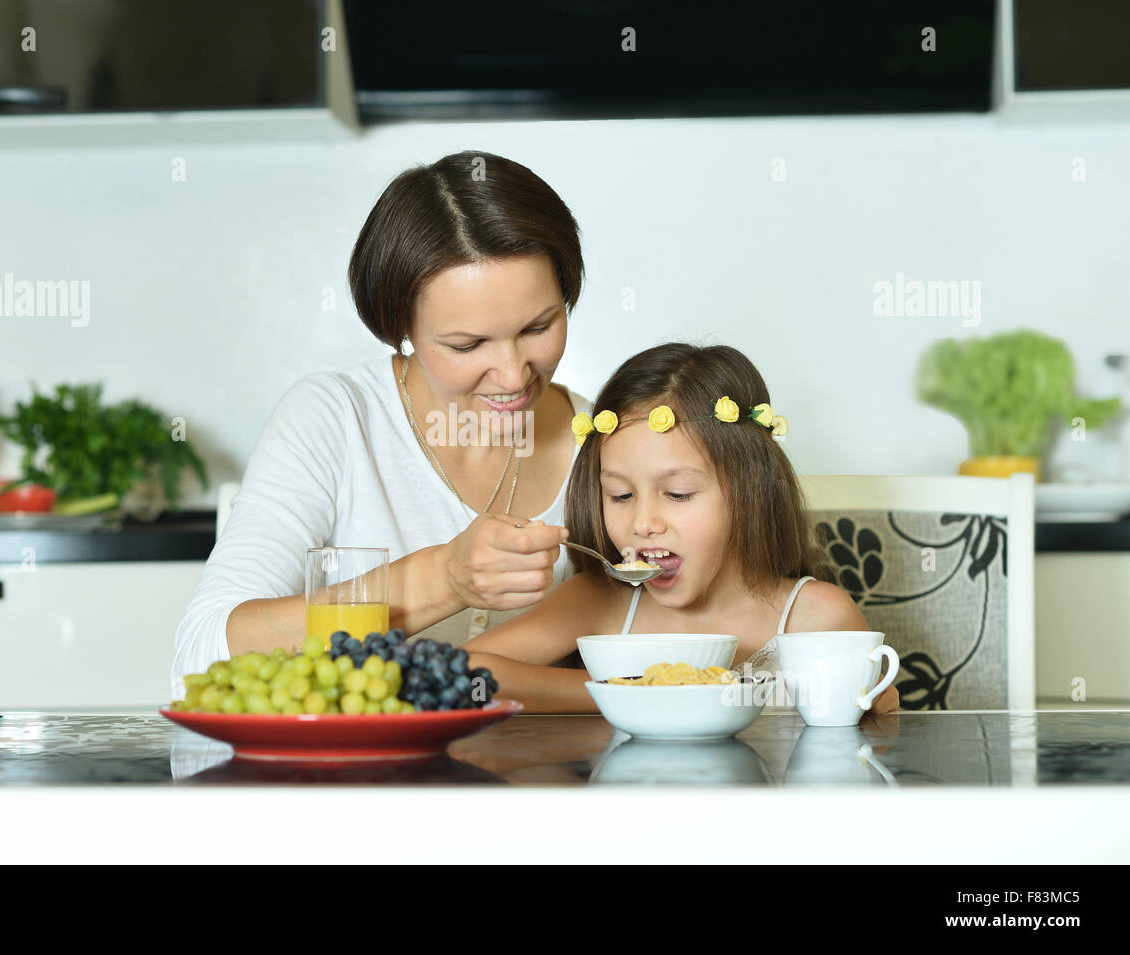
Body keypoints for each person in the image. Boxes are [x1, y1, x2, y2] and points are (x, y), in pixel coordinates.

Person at [172, 151, 594, 694]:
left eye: (539, 326)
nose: (513, 374)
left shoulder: (603, 436)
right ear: (401, 328)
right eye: (467, 344)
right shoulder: (336, 419)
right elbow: (201, 657)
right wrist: (442, 578)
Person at [462, 341, 901, 715]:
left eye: (678, 494)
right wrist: (629, 694)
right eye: (620, 495)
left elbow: (869, 743)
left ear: (750, 492)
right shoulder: (603, 601)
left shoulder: (816, 616)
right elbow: (461, 672)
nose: (643, 523)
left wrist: (877, 707)